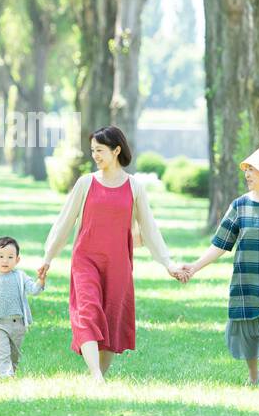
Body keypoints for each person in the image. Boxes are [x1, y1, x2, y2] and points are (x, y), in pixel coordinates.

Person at [37, 125, 182, 383]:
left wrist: (167, 263)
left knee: (112, 320)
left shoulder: (134, 187)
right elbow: (64, 222)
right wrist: (48, 257)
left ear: (116, 150)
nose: (95, 155)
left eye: (100, 150)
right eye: (93, 150)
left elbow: (149, 228)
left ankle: (99, 376)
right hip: (85, 260)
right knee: (88, 312)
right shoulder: (86, 183)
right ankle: (96, 377)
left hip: (118, 264)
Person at [176, 145, 259, 389]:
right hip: (247, 277)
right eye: (246, 170)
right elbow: (220, 244)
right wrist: (194, 267)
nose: (247, 174)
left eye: (253, 170)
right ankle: (253, 375)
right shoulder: (239, 205)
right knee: (247, 325)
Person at [0, 236, 45, 377]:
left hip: (18, 323)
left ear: (17, 260)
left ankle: (11, 373)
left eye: (10, 257)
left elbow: (34, 289)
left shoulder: (20, 276)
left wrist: (41, 280)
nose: (5, 260)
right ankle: (5, 376)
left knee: (14, 354)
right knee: (3, 351)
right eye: (0, 256)